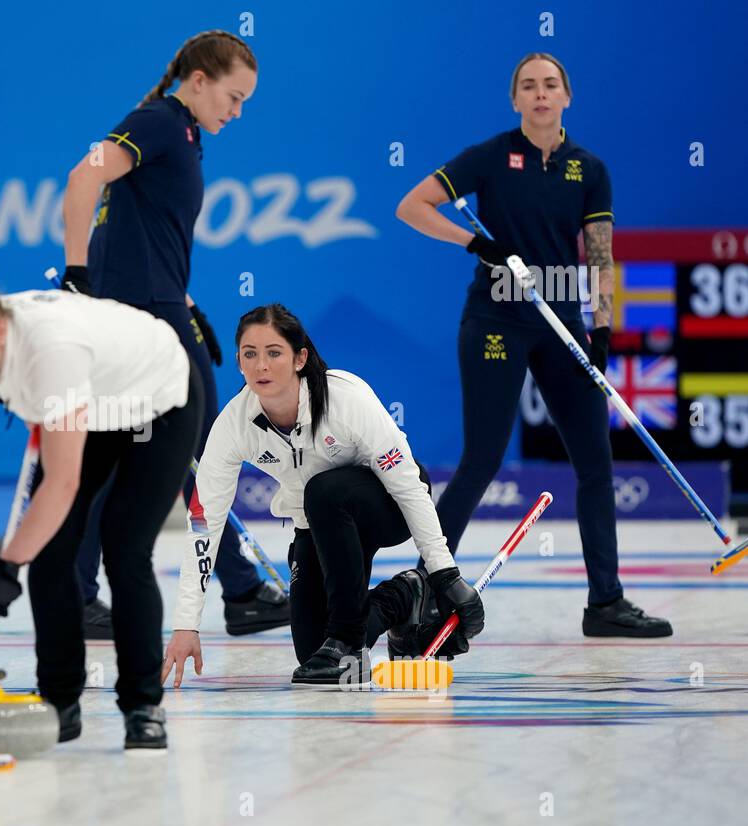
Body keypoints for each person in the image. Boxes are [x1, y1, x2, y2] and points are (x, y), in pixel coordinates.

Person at [395, 51, 670, 638]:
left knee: (595, 463)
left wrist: (602, 329)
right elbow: (412, 205)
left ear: (566, 96)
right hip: (496, 320)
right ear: (515, 99)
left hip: (564, 324)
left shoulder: (588, 168)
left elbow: (600, 253)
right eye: (528, 85)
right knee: (482, 460)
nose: (540, 93)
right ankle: (424, 589)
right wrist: (474, 242)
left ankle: (606, 604)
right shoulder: (492, 158)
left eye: (550, 84)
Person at [59, 29, 289, 639]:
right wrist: (77, 276)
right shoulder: (160, 121)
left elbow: (140, 230)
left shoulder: (182, 132)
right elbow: (84, 178)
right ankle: (237, 589)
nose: (236, 113)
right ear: (199, 82)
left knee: (135, 455)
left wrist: (187, 303)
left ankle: (92, 594)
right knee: (191, 450)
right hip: (140, 318)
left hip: (159, 307)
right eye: (233, 98)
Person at [0, 253, 203, 750]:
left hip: (158, 400)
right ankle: (60, 701)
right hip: (94, 401)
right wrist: (22, 561)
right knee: (53, 554)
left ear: (0, 332)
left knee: (124, 546)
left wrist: (7, 567)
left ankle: (142, 705)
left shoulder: (50, 350)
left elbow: (63, 484)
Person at [162, 305, 486, 688]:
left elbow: (407, 484)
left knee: (324, 491)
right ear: (238, 362)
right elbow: (204, 524)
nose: (261, 365)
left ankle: (349, 641)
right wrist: (186, 625)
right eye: (250, 354)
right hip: (318, 520)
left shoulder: (345, 398)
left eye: (274, 352)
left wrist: (445, 574)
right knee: (313, 651)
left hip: (385, 506)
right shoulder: (233, 425)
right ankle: (403, 596)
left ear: (300, 358)